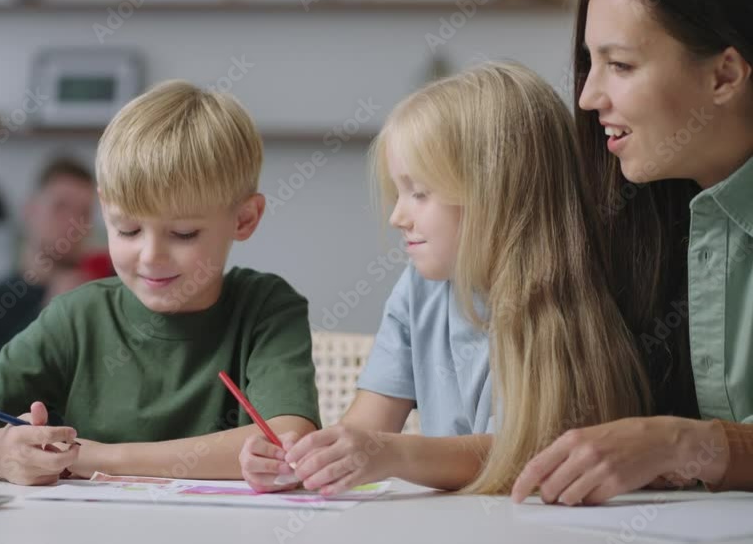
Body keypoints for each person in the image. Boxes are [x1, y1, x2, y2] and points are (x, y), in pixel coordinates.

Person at [240, 61, 650, 495]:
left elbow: (522, 455)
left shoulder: (560, 309)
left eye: (419, 193)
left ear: (497, 194)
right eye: (399, 193)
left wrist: (391, 453)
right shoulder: (419, 290)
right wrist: (305, 460)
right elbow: (364, 431)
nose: (398, 216)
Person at [0, 80, 321, 485]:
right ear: (105, 211)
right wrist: (1, 453)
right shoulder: (76, 318)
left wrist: (99, 457)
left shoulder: (267, 308)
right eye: (127, 230)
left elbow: (289, 440)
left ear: (244, 219)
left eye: (184, 234)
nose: (150, 255)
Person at [512, 0, 753, 505]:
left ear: (725, 75)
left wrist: (679, 442)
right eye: (589, 63)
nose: (587, 97)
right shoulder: (629, 221)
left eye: (619, 65)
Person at [0, 156, 114, 373]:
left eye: (84, 213)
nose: (74, 223)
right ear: (30, 210)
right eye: (61, 207)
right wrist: (51, 312)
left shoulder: (109, 289)